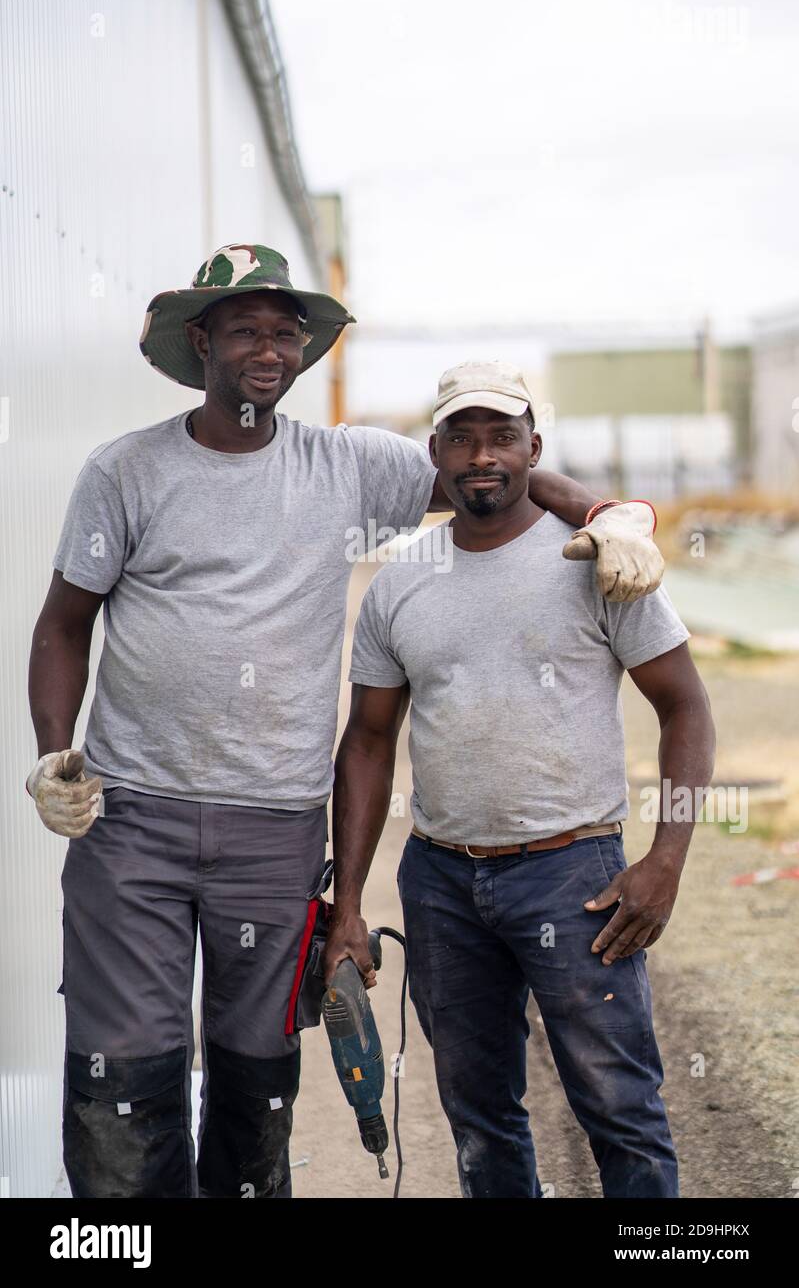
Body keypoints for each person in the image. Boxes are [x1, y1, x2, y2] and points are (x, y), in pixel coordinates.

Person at [27, 245, 664, 1198]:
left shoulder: (348, 465)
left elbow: (492, 474)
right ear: (200, 341)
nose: (268, 350)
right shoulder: (127, 471)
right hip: (133, 821)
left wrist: (611, 514)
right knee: (126, 1070)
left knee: (255, 1074)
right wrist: (55, 755)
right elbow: (62, 625)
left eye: (285, 333)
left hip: (274, 832)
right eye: (245, 330)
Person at [327, 360, 716, 1199]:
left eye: (501, 436)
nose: (481, 456)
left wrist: (665, 860)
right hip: (440, 881)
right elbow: (366, 741)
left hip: (573, 875)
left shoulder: (598, 563)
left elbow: (685, 707)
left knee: (618, 1107)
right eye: (461, 438)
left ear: (532, 449)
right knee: (478, 1115)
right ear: (435, 454)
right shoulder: (400, 584)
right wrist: (348, 906)